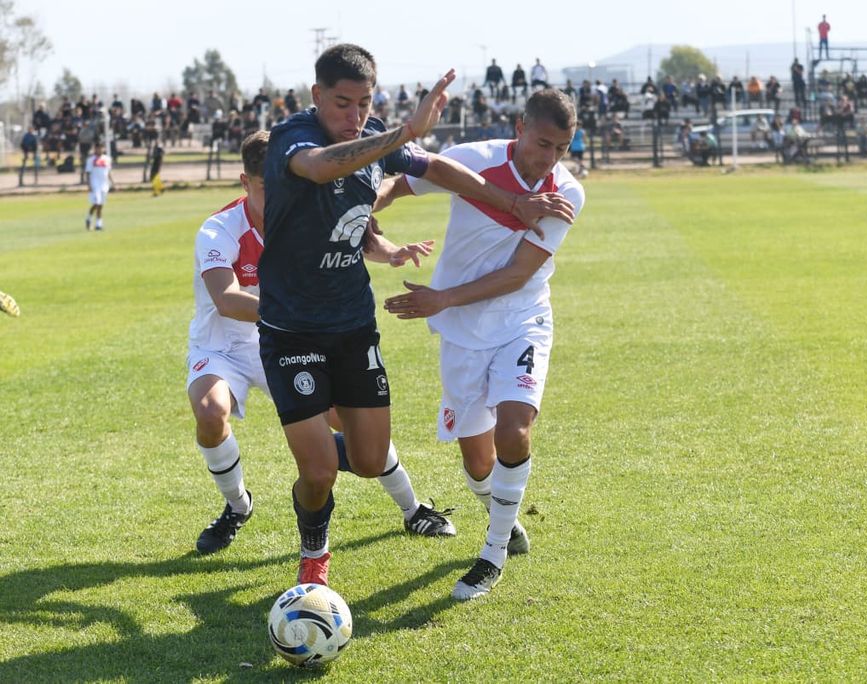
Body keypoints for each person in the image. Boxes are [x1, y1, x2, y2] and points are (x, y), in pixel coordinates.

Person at [259, 44, 575, 588]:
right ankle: (314, 557)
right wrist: (404, 133)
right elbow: (320, 168)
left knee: (371, 457)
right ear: (317, 95)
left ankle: (322, 446)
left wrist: (510, 204)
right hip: (291, 327)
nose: (355, 116)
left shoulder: (375, 135)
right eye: (342, 103)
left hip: (353, 323)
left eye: (364, 104)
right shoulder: (295, 137)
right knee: (319, 470)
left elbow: (435, 168)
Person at [187, 130, 454, 555]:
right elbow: (226, 299)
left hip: (289, 338)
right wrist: (298, 308)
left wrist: (390, 252)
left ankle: (413, 508)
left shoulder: (305, 213)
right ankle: (237, 507)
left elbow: (359, 237)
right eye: (266, 188)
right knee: (209, 411)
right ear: (245, 182)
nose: (279, 197)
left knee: (350, 423)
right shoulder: (219, 230)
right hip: (224, 345)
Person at [381, 89, 585, 601]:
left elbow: (518, 274)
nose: (550, 158)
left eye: (561, 148)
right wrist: (361, 210)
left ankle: (492, 554)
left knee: (514, 432)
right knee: (478, 463)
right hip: (462, 331)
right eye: (543, 144)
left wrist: (441, 298)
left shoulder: (566, 192)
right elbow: (399, 184)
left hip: (522, 319)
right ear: (520, 128)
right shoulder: (472, 160)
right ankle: (505, 520)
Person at [84, 141, 113, 231]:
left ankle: (93, 221)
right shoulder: (90, 160)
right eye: (97, 148)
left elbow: (108, 172)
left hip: (104, 184)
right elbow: (88, 173)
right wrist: (89, 185)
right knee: (97, 203)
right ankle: (96, 222)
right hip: (95, 183)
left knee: (101, 204)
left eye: (101, 148)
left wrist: (112, 182)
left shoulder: (107, 159)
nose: (99, 150)